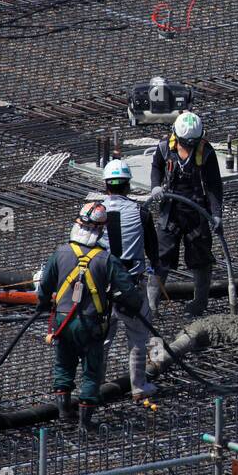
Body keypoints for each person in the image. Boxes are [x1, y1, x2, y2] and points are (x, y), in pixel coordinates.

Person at [37, 202, 142, 430]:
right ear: (101, 230)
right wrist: (130, 304)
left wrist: (42, 305)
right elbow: (130, 292)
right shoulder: (106, 259)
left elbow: (44, 287)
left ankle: (64, 414)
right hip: (91, 324)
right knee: (91, 371)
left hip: (62, 322)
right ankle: (85, 423)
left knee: (64, 365)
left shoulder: (60, 253)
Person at [149, 111, 223, 317]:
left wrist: (216, 214)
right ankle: (152, 304)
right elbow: (156, 167)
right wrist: (155, 186)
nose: (189, 147)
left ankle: (199, 302)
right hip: (171, 211)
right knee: (160, 257)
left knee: (201, 258)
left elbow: (215, 186)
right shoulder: (165, 148)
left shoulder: (206, 152)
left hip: (197, 213)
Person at [100, 159, 160, 399]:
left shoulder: (96, 213)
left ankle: (95, 385)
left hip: (102, 289)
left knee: (101, 339)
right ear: (128, 187)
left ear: (106, 187)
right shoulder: (141, 212)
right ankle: (138, 386)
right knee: (137, 337)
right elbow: (154, 252)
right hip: (132, 288)